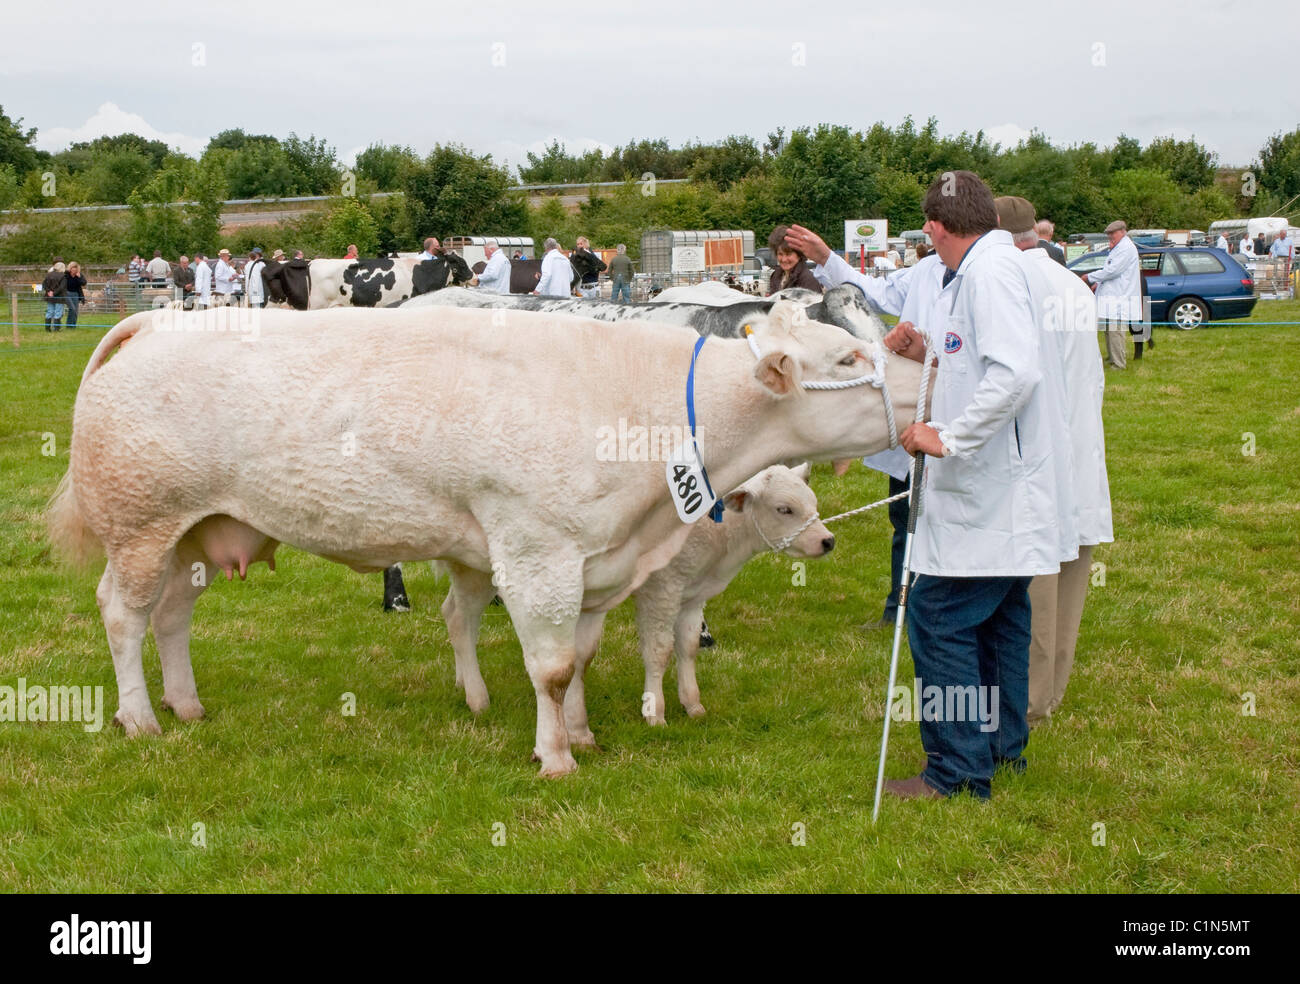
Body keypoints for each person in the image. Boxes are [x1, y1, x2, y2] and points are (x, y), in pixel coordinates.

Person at [878, 171, 1070, 801]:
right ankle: (999, 751)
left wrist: (947, 436)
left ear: (935, 227)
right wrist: (928, 351)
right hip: (992, 496)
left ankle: (957, 773)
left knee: (938, 616)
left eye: (927, 230)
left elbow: (1015, 374)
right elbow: (980, 361)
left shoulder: (987, 274)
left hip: (989, 494)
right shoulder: (983, 270)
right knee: (999, 619)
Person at [784, 223, 940, 631]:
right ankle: (899, 609)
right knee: (905, 518)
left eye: (931, 222)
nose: (924, 230)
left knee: (942, 520)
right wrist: (824, 258)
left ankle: (933, 610)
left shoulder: (990, 277)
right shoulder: (926, 271)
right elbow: (875, 293)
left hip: (957, 417)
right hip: (914, 409)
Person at [996, 196, 1113, 725]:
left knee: (1037, 587)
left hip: (1042, 460)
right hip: (1079, 447)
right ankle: (1050, 692)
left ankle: (1030, 702)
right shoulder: (1072, 284)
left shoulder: (1017, 284)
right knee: (1069, 580)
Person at [1083, 220, 1141, 367]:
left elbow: (1113, 271)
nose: (1110, 237)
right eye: (1108, 234)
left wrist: (1089, 277)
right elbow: (1111, 270)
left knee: (1116, 332)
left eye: (1112, 234)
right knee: (1109, 331)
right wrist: (1098, 283)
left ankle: (1119, 363)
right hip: (1113, 297)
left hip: (1120, 297)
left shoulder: (1126, 248)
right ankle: (1112, 358)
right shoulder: (1119, 247)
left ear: (1122, 231)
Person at [766, 225, 823, 295]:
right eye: (780, 254)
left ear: (799, 255)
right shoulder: (776, 276)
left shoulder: (808, 280)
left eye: (788, 254)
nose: (784, 259)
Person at [572, 236, 607, 300]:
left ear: (585, 244)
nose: (579, 246)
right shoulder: (576, 257)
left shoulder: (591, 255)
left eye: (581, 244)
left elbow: (599, 268)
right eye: (578, 244)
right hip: (582, 288)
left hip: (593, 287)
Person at [42, 259, 68, 331]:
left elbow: (44, 284)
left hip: (49, 297)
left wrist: (49, 291)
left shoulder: (48, 275)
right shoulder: (63, 276)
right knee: (58, 312)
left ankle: (47, 329)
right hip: (59, 297)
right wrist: (54, 293)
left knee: (49, 311)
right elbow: (62, 287)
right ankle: (56, 329)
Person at [64, 261, 87, 328]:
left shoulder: (79, 275)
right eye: (73, 268)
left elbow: (84, 283)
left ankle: (73, 326)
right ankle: (68, 325)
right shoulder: (66, 274)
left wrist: (79, 277)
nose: (74, 269)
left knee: (75, 311)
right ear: (70, 268)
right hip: (67, 293)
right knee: (72, 309)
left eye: (76, 268)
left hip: (76, 294)